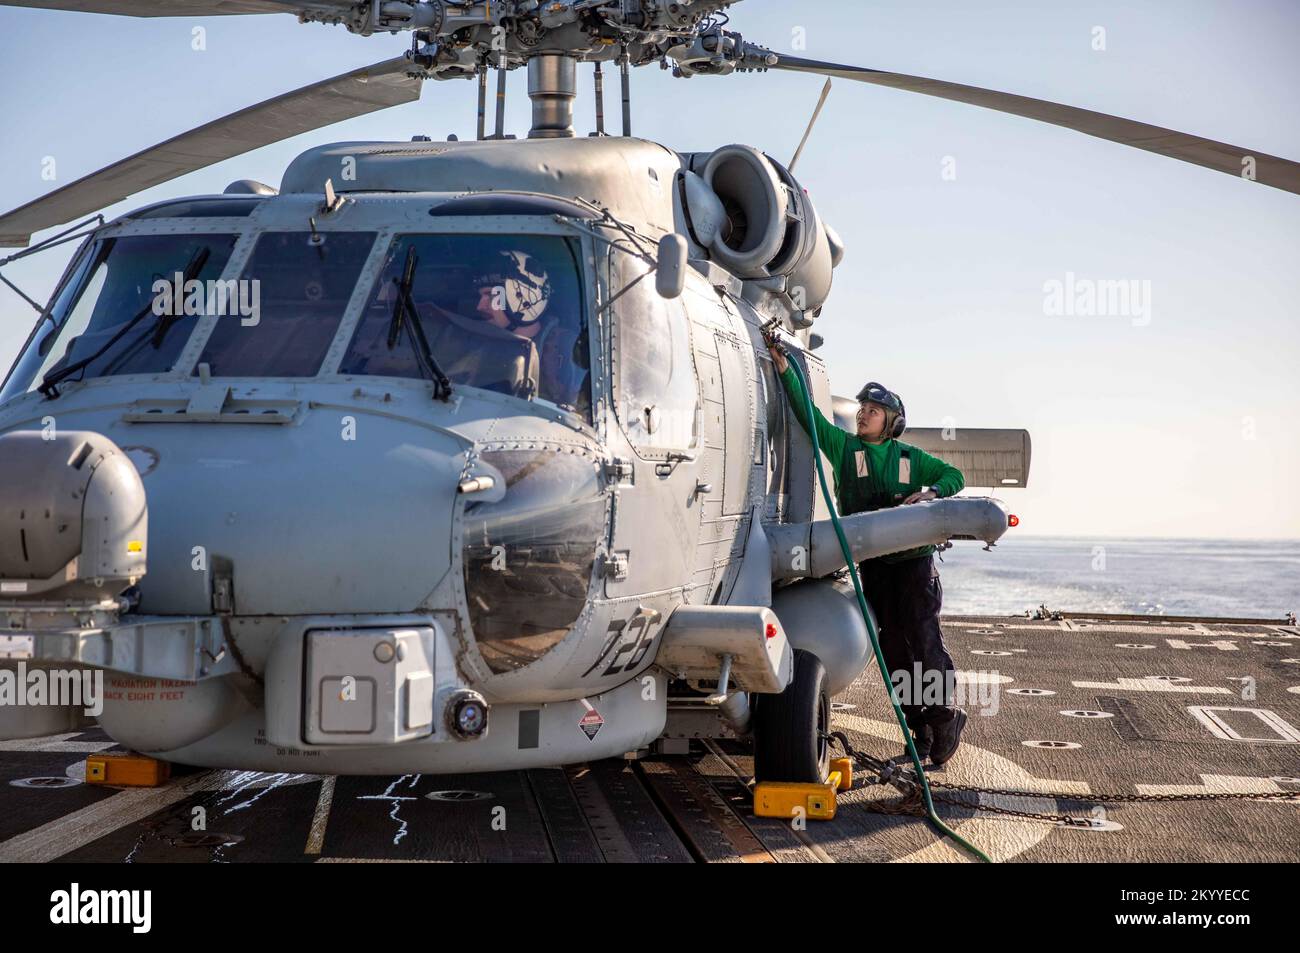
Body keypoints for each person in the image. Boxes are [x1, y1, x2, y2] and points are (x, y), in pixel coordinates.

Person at [768, 341, 968, 765]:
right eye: (861, 408)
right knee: (894, 649)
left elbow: (954, 475)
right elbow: (811, 419)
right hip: (876, 568)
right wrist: (786, 370)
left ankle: (945, 716)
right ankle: (920, 730)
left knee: (924, 642)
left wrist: (931, 492)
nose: (862, 414)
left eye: (872, 410)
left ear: (891, 422)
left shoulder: (911, 459)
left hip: (914, 567)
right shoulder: (844, 449)